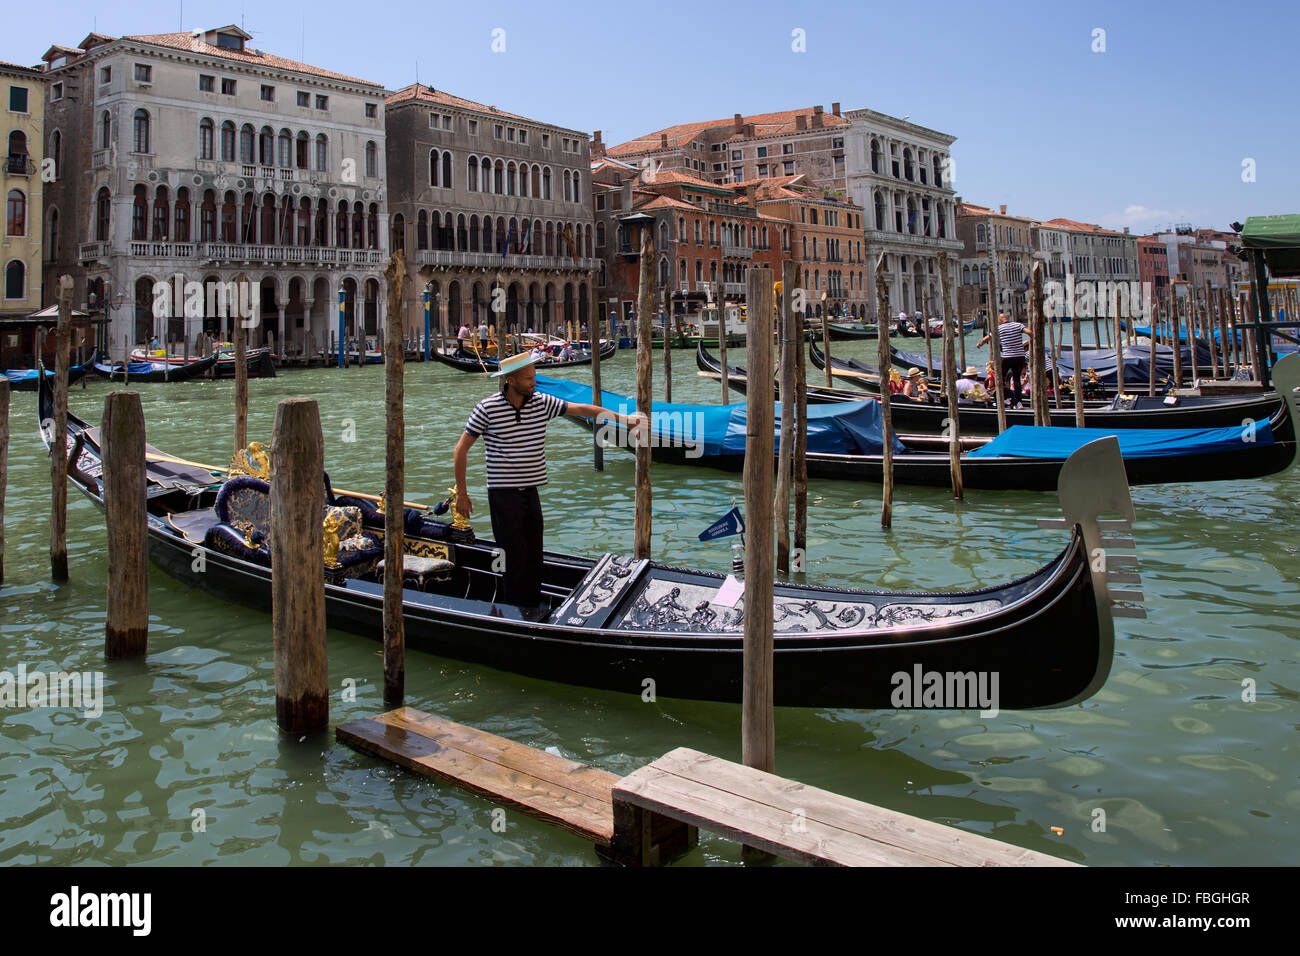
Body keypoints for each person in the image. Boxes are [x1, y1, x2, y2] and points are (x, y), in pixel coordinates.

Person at [453, 352, 647, 614]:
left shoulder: (542, 402)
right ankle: (513, 610)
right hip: (503, 494)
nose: (535, 382)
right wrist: (462, 495)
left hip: (530, 491)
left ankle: (532, 604)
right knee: (512, 556)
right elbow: (461, 450)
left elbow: (585, 409)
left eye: (534, 376)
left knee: (534, 552)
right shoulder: (486, 408)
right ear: (511, 380)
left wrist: (625, 420)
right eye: (529, 378)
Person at [977, 312, 1028, 407]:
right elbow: (1030, 332)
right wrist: (1031, 341)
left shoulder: (998, 328)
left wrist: (979, 344)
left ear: (999, 321)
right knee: (1017, 379)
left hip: (1008, 356)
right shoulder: (1018, 325)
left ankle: (1005, 399)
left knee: (999, 378)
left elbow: (986, 339)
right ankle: (1019, 402)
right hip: (1020, 356)